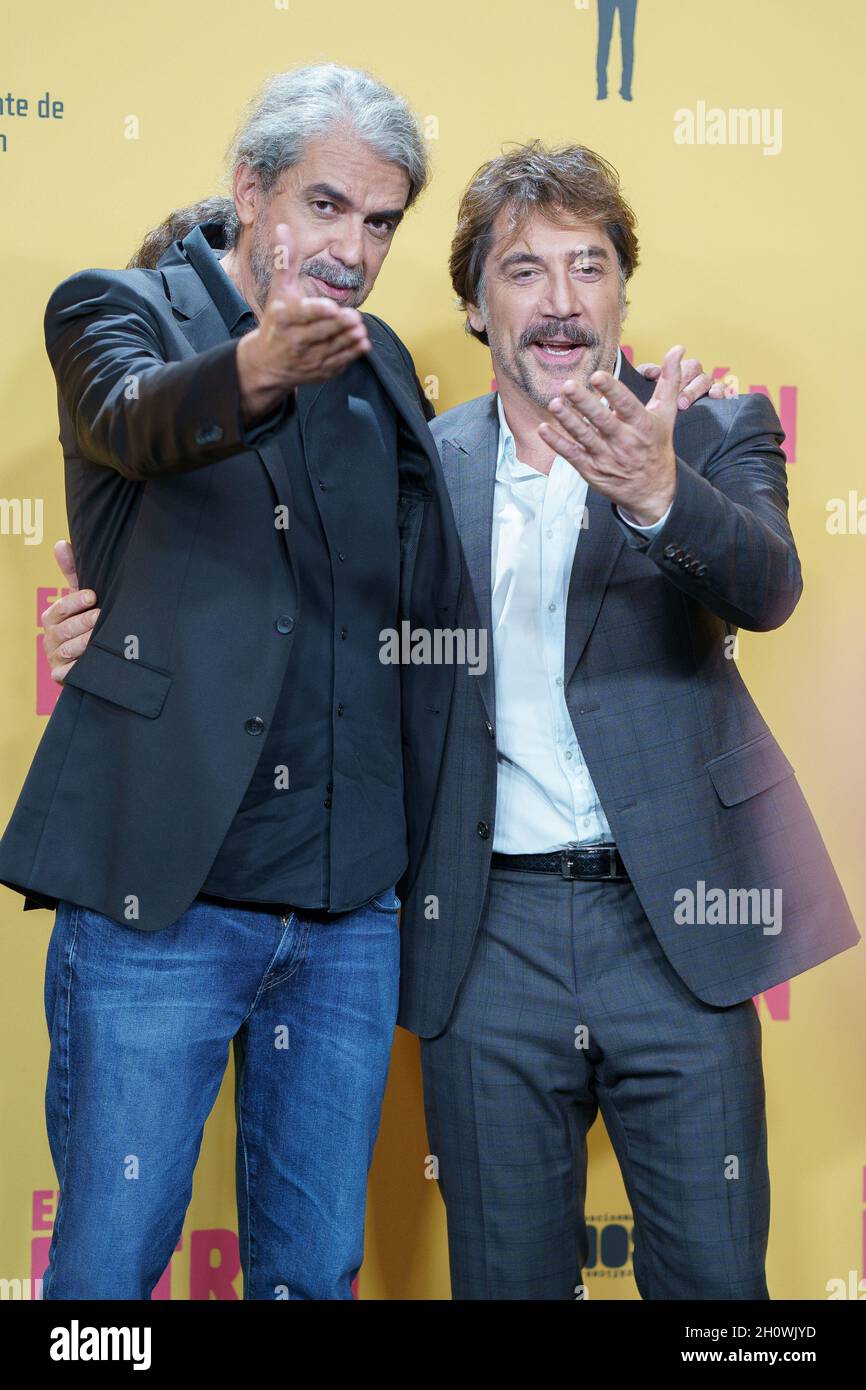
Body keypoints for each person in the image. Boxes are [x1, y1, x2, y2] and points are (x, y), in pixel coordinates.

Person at [24, 107, 716, 1299]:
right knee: (105, 1273)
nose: (353, 244)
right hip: (160, 899)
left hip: (345, 914)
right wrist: (259, 366)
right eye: (326, 205)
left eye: (382, 219)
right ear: (248, 186)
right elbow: (130, 422)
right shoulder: (113, 306)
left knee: (314, 1271)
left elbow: (427, 587)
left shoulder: (381, 361)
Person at [395, 142, 861, 1299]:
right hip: (485, 933)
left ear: (620, 292)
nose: (560, 301)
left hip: (677, 927)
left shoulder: (707, 428)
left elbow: (766, 587)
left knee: (716, 1293)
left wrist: (656, 492)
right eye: (523, 270)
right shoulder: (415, 469)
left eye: (588, 267)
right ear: (471, 301)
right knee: (504, 1281)